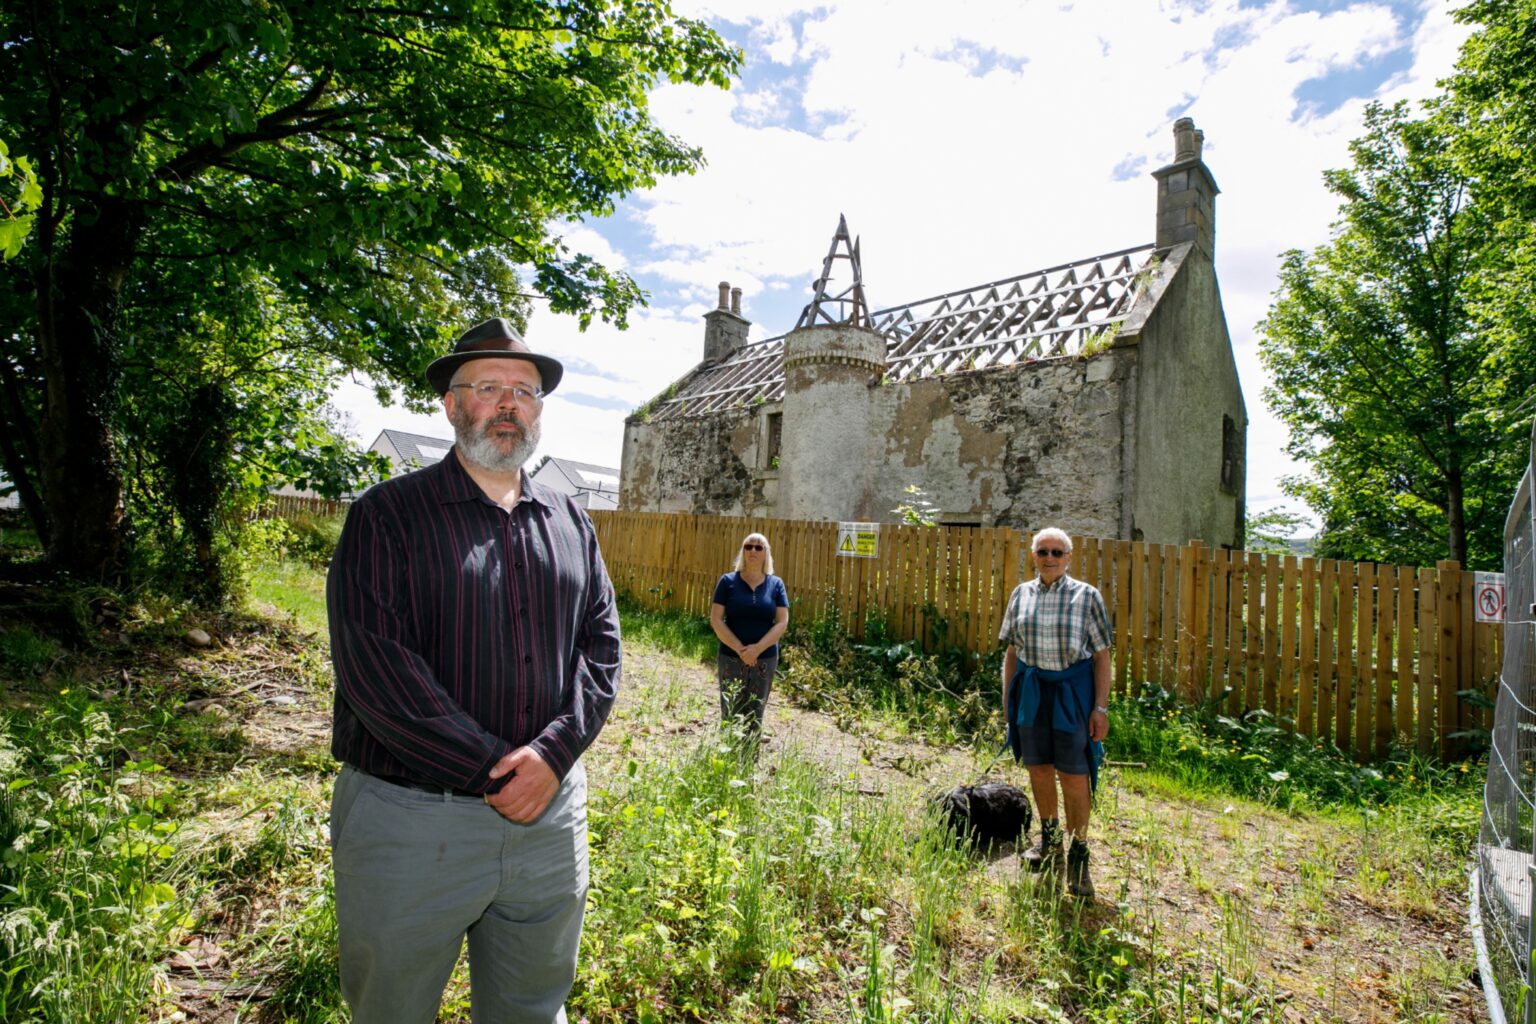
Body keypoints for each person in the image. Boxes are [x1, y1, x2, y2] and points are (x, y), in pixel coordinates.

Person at [326, 317, 621, 1023]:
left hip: (548, 823)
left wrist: (551, 757)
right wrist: (494, 768)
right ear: (452, 405)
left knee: (531, 1008)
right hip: (411, 821)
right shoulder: (388, 517)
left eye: (524, 390)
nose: (509, 403)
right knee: (390, 1008)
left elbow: (601, 647)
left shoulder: (572, 522)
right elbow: (377, 672)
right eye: (488, 387)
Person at [999, 527, 1112, 898]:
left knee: (1075, 774)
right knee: (1039, 768)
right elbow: (1012, 652)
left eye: (1057, 552)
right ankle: (1050, 842)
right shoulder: (1021, 595)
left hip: (1072, 696)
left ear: (1069, 557)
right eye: (1043, 551)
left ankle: (1078, 852)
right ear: (1034, 556)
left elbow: (1101, 657)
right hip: (1032, 693)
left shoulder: (1086, 596)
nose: (1050, 558)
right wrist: (1008, 701)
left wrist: (1099, 708)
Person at [709, 532, 789, 742]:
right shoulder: (727, 582)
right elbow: (716, 619)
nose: (753, 550)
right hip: (730, 656)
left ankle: (749, 759)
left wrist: (757, 649)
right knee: (730, 706)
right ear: (743, 551)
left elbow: (782, 622)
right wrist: (740, 649)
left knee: (756, 710)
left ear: (766, 553)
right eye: (748, 546)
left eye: (758, 547)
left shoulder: (776, 584)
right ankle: (727, 756)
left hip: (765, 658)